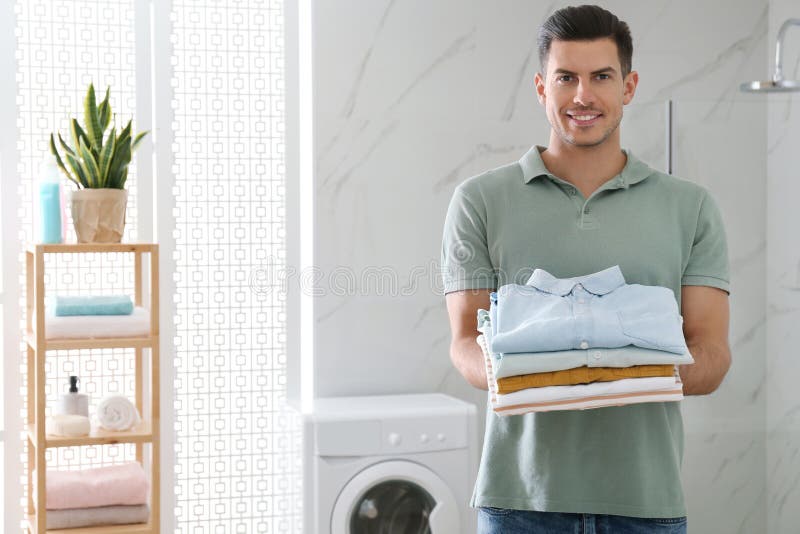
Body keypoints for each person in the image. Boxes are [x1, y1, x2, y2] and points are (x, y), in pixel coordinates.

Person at [441, 4, 731, 533]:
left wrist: (610, 366)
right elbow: (465, 342)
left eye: (601, 76)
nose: (583, 96)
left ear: (629, 85)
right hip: (519, 503)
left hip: (646, 505)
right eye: (566, 78)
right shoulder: (480, 201)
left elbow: (712, 353)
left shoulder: (690, 207)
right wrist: (547, 371)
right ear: (540, 87)